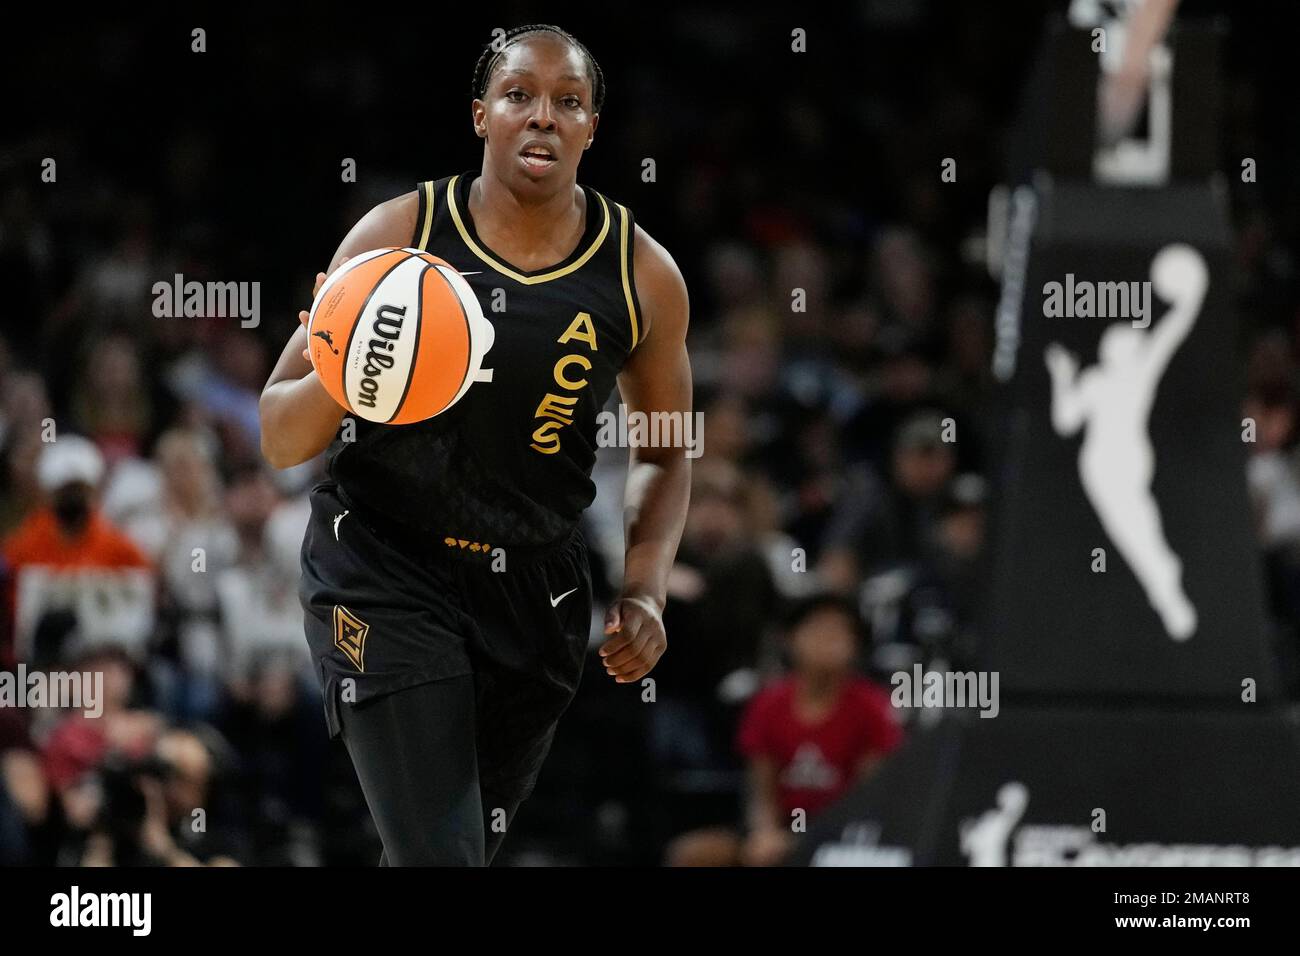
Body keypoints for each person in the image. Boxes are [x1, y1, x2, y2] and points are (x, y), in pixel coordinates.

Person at [259, 23, 692, 866]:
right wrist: (348, 368)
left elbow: (669, 447)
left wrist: (645, 589)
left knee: (444, 851)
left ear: (592, 128)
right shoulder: (398, 234)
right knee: (441, 859)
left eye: (568, 102)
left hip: (537, 592)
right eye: (519, 96)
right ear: (480, 116)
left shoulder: (643, 274)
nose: (543, 117)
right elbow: (280, 433)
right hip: (384, 565)